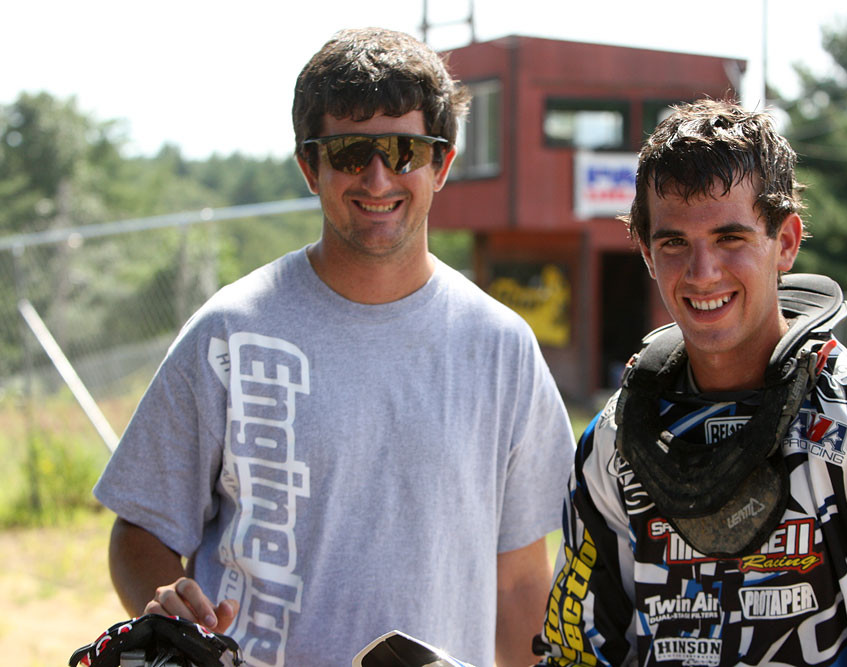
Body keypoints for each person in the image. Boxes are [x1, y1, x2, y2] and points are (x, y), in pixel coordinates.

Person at [94, 27, 575, 667]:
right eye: (350, 152)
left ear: (442, 164)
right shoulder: (232, 332)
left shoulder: (501, 347)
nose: (378, 178)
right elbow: (140, 529)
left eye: (405, 151)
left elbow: (519, 582)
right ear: (309, 166)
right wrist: (167, 601)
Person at [534, 99, 847, 666]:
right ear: (648, 254)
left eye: (730, 237)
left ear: (786, 242)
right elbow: (575, 651)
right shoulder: (616, 441)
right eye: (674, 242)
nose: (702, 273)